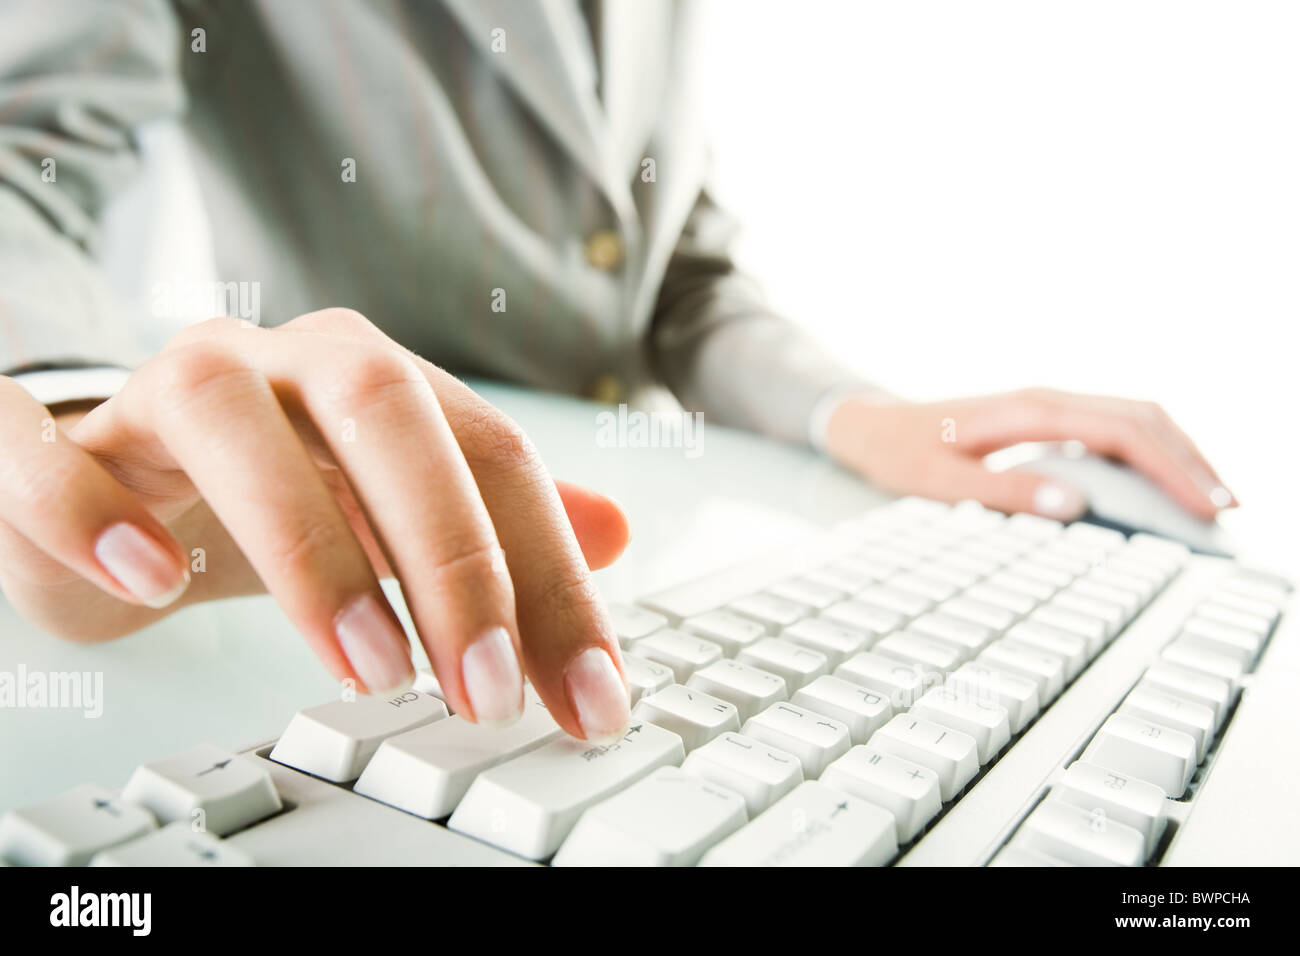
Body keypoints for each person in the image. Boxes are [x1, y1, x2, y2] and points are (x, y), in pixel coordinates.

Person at [0, 1, 1233, 744]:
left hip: (668, 528)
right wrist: (62, 413)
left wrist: (859, 415)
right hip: (356, 539)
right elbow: (25, 148)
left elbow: (676, 266)